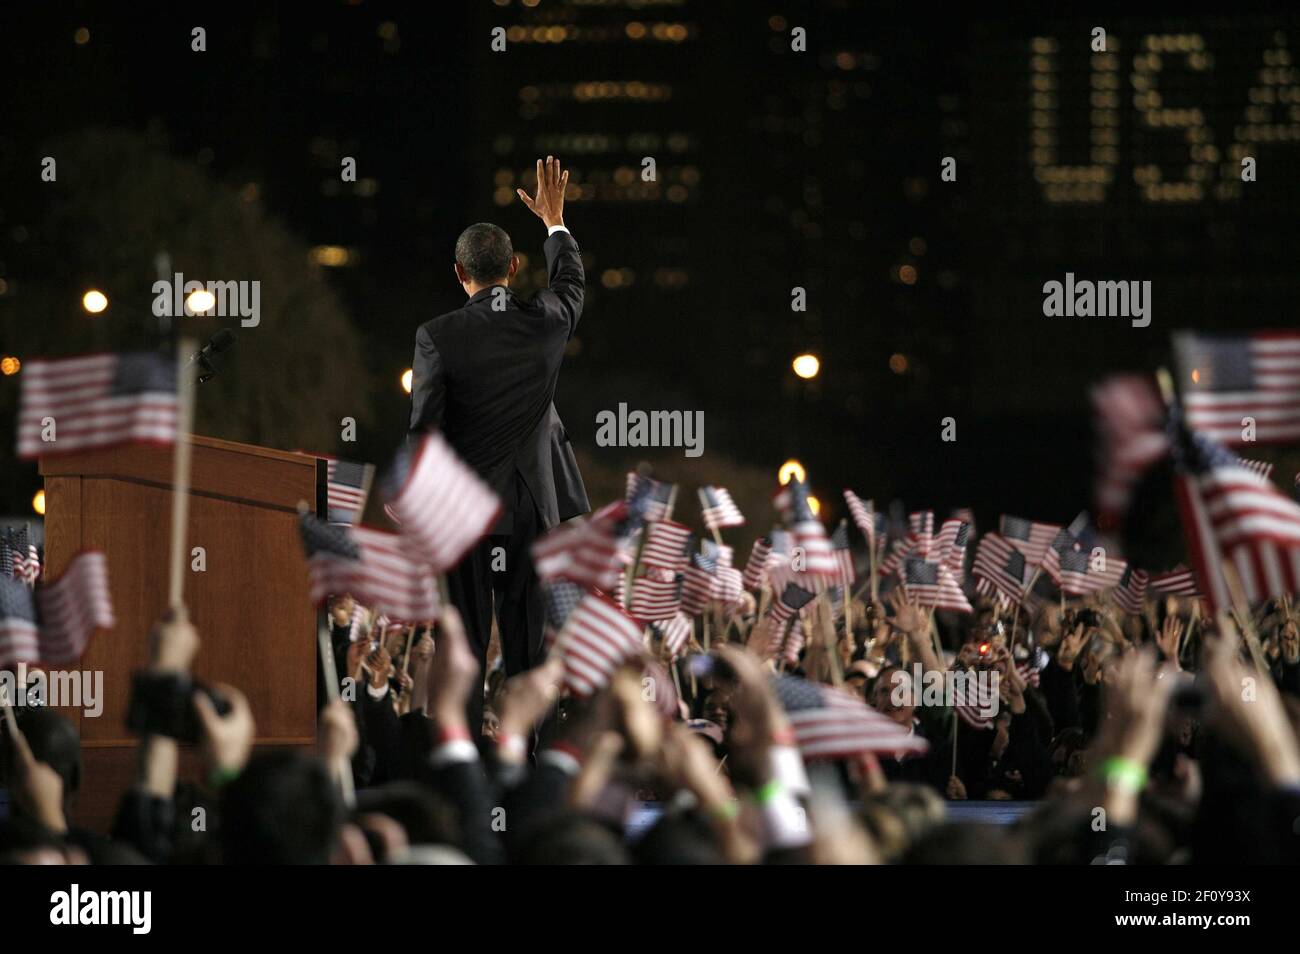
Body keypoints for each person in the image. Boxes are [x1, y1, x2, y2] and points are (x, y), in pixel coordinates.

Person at [408, 156, 588, 738]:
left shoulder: (438, 337)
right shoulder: (544, 323)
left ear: (459, 273)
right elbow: (571, 284)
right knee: (527, 650)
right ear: (513, 268)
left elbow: (424, 432)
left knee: (461, 640)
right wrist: (554, 224)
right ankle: (528, 763)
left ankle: (463, 761)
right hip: (531, 512)